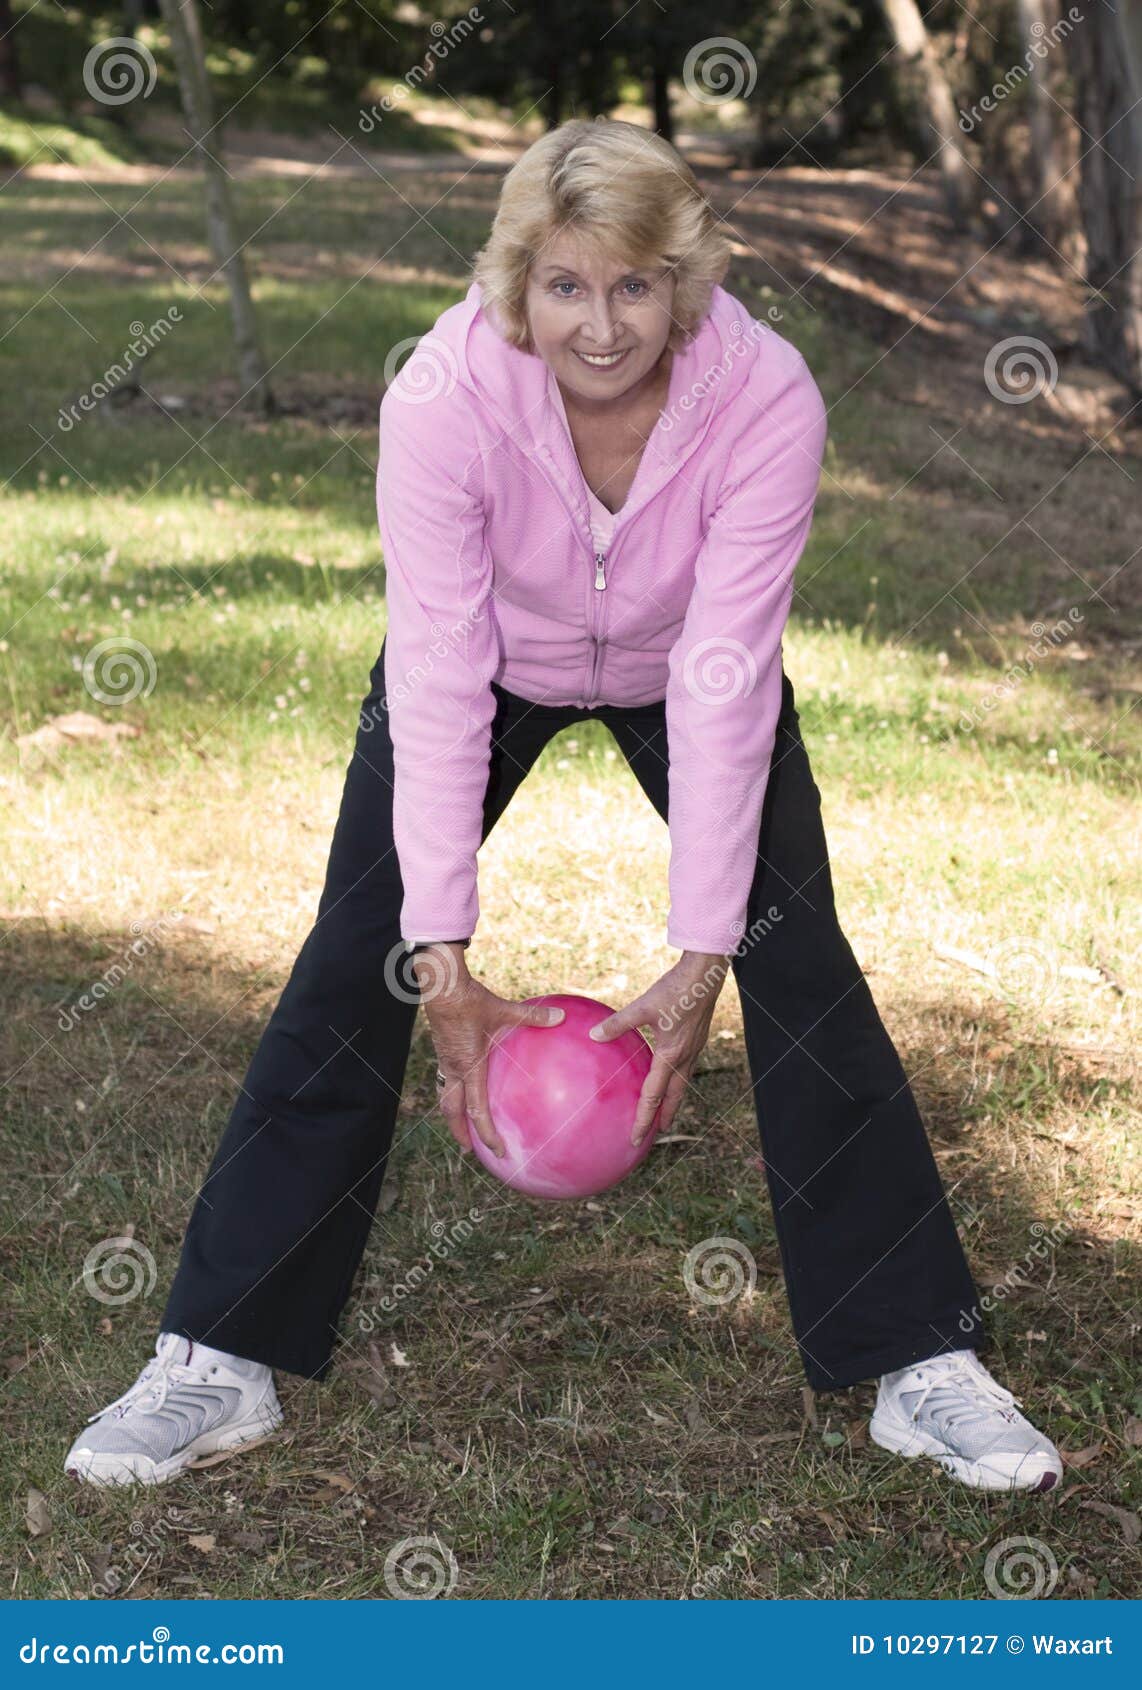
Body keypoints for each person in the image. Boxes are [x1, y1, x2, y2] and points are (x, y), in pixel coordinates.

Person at [65, 117, 1062, 1495]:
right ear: (515, 283)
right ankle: (217, 1355)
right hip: (490, 662)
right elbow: (433, 662)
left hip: (681, 665)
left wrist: (704, 951)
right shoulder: (443, 398)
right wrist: (444, 953)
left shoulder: (765, 398)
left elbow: (723, 674)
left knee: (802, 967)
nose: (601, 325)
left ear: (684, 281)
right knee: (356, 956)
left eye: (634, 284)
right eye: (566, 286)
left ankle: (920, 1361)